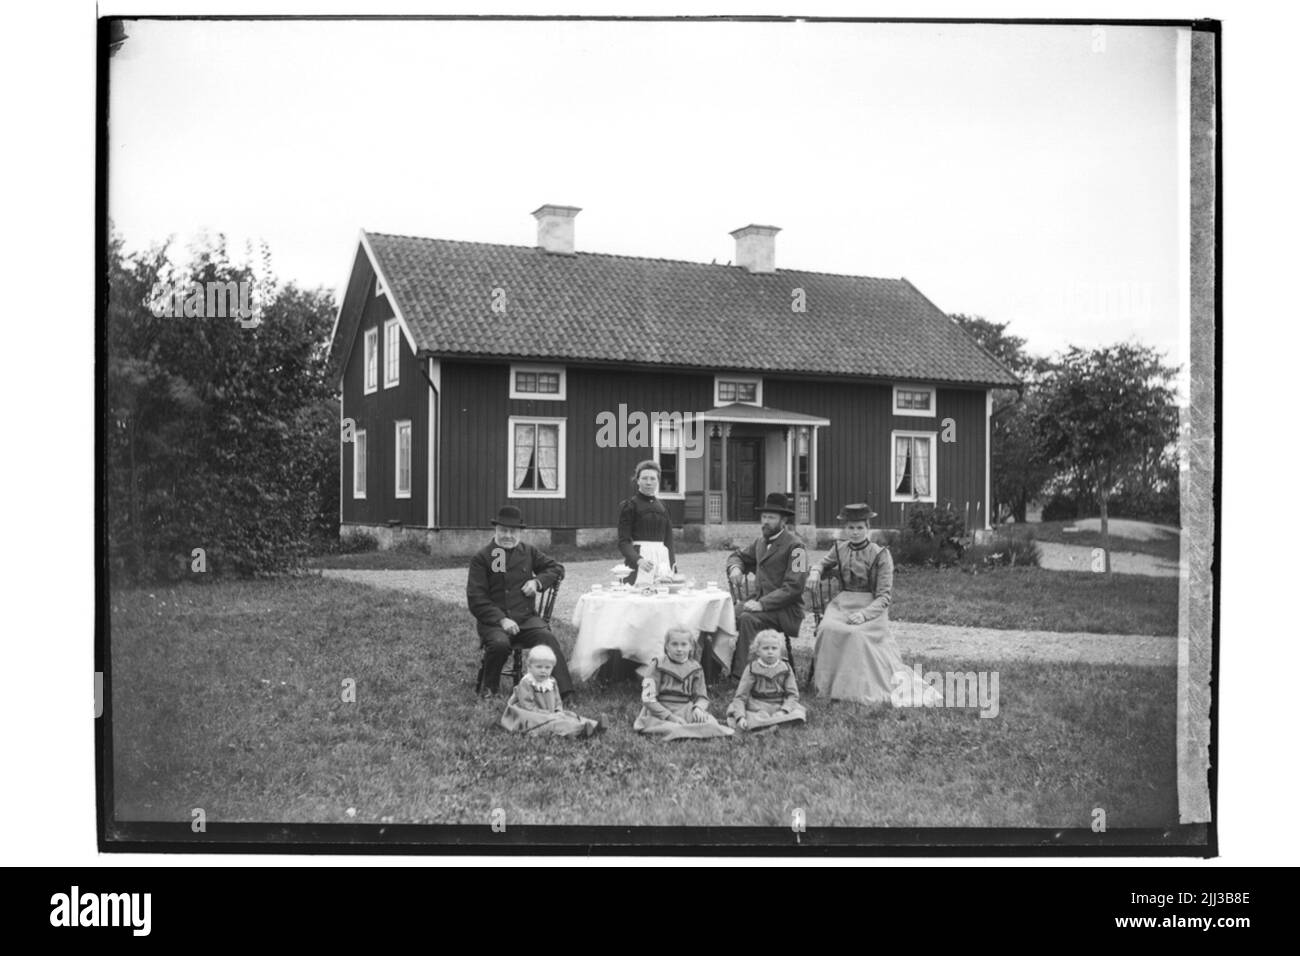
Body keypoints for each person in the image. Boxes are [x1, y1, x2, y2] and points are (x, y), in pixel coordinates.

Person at [808, 503, 938, 706]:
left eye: (860, 528)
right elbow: (823, 562)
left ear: (868, 528)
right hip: (842, 604)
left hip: (871, 606)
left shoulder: (880, 554)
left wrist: (864, 615)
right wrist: (816, 570)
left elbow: (884, 597)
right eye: (851, 527)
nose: (855, 532)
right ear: (845, 529)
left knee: (856, 634)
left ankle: (856, 689)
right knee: (826, 628)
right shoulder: (839, 548)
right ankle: (829, 686)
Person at [466, 505, 573, 703]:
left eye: (513, 531)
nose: (508, 536)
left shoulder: (528, 552)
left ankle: (565, 694)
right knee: (499, 644)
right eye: (503, 531)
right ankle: (489, 690)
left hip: (525, 619)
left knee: (547, 638)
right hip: (495, 623)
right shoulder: (482, 558)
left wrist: (537, 582)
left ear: (520, 532)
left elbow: (556, 568)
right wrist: (501, 619)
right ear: (495, 530)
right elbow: (476, 598)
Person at [724, 492, 809, 679]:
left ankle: (741, 676)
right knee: (722, 614)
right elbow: (737, 556)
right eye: (764, 517)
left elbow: (794, 587)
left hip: (785, 609)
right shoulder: (760, 542)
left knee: (747, 618)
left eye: (771, 517)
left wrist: (762, 604)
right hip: (758, 602)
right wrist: (736, 568)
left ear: (783, 520)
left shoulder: (797, 548)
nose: (766, 521)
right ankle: (711, 671)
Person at [633, 629, 734, 740]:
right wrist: (670, 717)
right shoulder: (657, 664)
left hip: (685, 709)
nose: (679, 649)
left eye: (684, 644)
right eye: (674, 644)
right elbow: (648, 699)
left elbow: (702, 697)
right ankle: (684, 730)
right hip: (661, 710)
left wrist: (698, 708)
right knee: (671, 727)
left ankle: (689, 730)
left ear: (690, 647)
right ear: (667, 646)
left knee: (711, 723)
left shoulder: (695, 667)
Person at [500, 646, 603, 737]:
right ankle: (579, 730)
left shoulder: (552, 682)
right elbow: (527, 706)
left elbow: (557, 700)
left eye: (547, 667)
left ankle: (594, 725)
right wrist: (548, 714)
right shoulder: (527, 683)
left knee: (568, 715)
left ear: (552, 668)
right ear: (529, 667)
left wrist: (558, 711)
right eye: (539, 667)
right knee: (555, 724)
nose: (543, 670)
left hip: (550, 713)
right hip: (532, 715)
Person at [726, 629, 807, 731]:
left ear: (780, 650)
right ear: (758, 650)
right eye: (765, 648)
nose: (770, 652)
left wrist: (784, 711)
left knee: (798, 713)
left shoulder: (785, 667)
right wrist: (741, 717)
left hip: (779, 704)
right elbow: (741, 696)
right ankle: (770, 724)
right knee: (737, 711)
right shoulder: (752, 668)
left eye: (774, 648)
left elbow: (793, 695)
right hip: (757, 706)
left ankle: (768, 723)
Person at [617, 459, 676, 586]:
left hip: (662, 560)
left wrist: (673, 567)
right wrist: (638, 560)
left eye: (652, 478)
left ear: (658, 481)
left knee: (663, 594)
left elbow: (669, 541)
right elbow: (623, 541)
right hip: (640, 560)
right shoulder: (630, 506)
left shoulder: (663, 506)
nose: (648, 482)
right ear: (637, 480)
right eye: (644, 478)